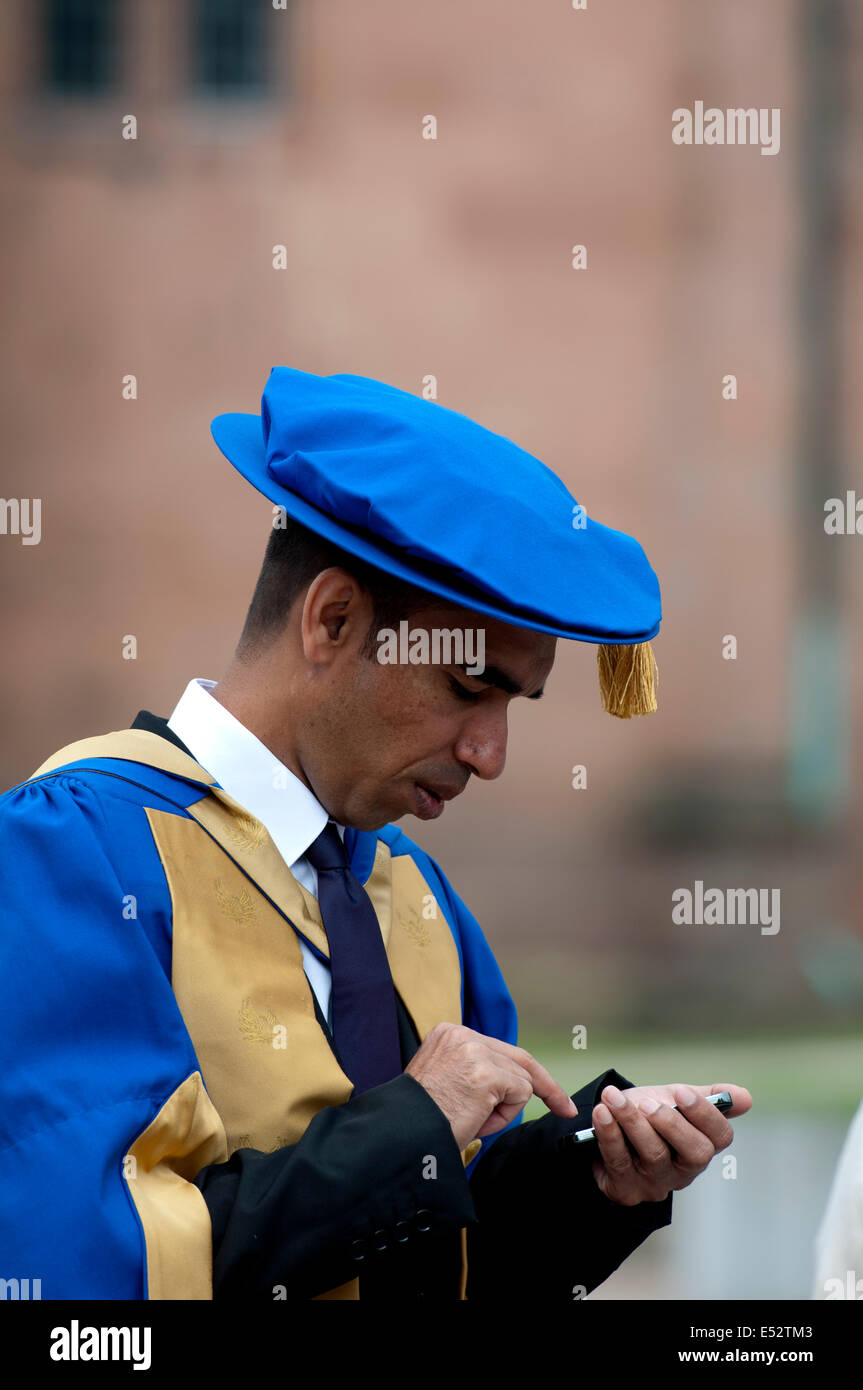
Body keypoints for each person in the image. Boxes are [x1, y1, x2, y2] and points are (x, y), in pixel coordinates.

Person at [0, 367, 752, 1301]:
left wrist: (590, 1182)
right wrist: (408, 1129)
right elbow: (86, 1274)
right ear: (332, 620)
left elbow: (429, 1261)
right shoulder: (72, 857)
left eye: (515, 704)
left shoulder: (411, 890)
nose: (490, 755)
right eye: (466, 686)